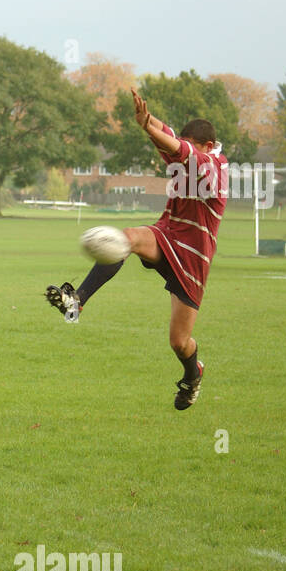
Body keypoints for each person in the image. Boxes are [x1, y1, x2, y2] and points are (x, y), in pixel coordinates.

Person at [46, 90, 227, 410]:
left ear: (209, 146)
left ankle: (192, 374)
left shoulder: (215, 166)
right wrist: (148, 121)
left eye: (191, 147)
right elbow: (173, 139)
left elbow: (180, 148)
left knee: (179, 342)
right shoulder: (189, 153)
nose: (178, 156)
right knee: (125, 238)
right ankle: (77, 302)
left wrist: (149, 129)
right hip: (167, 234)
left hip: (193, 258)